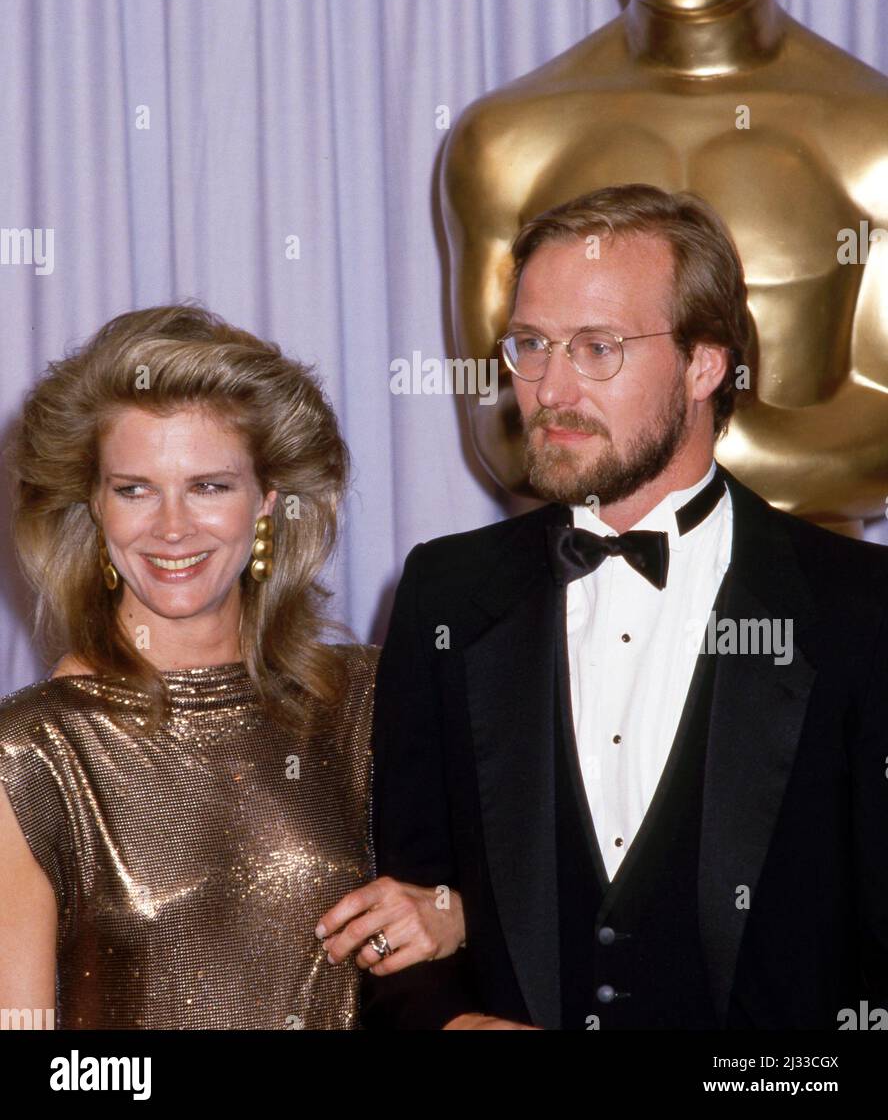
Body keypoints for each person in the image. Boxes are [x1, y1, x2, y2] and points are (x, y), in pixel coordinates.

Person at [362, 184, 888, 1030]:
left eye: (597, 348)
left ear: (704, 364)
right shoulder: (444, 592)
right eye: (531, 345)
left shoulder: (862, 610)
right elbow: (399, 913)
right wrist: (447, 1023)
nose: (550, 389)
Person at [0, 304, 464, 1030]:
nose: (172, 527)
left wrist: (454, 917)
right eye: (134, 489)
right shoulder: (33, 752)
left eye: (210, 486)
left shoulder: (369, 700)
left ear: (267, 501)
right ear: (93, 505)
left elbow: (539, 909)